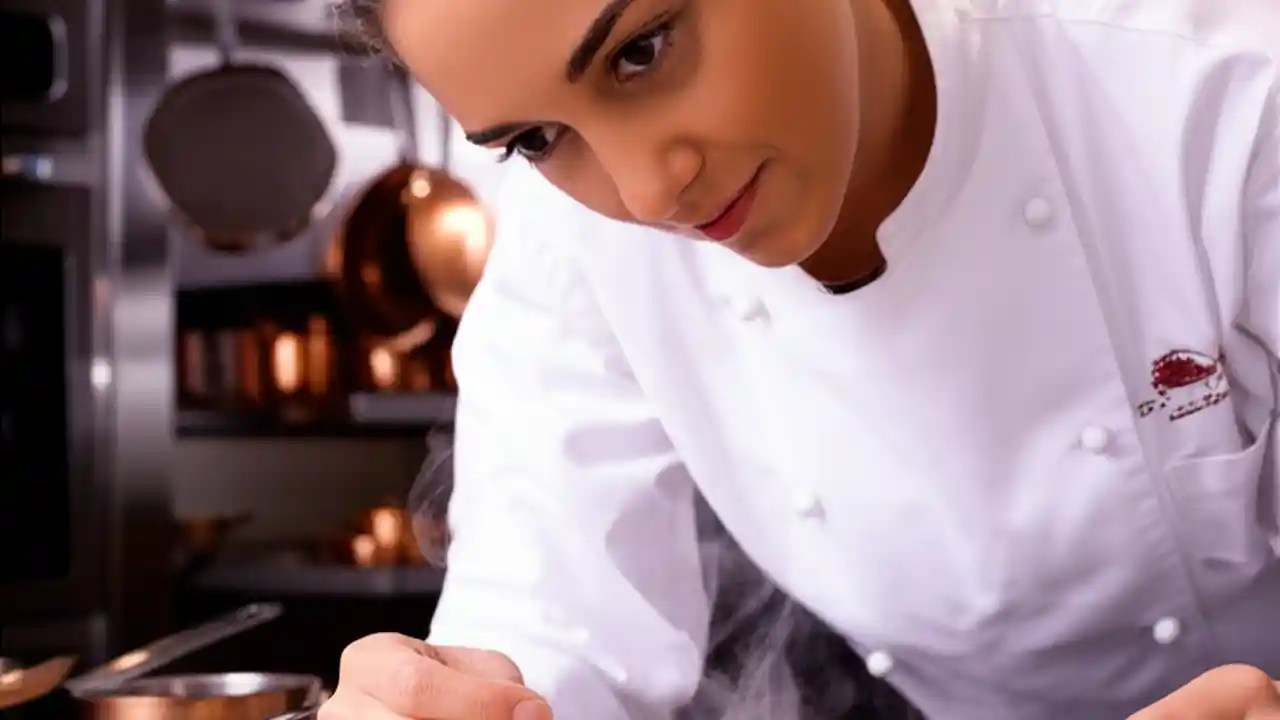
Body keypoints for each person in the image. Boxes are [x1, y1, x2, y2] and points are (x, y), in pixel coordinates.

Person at [320, 0, 1280, 717]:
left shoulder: (1224, 94)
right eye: (536, 139)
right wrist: (450, 695)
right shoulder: (569, 245)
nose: (648, 195)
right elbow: (542, 631)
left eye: (643, 51)